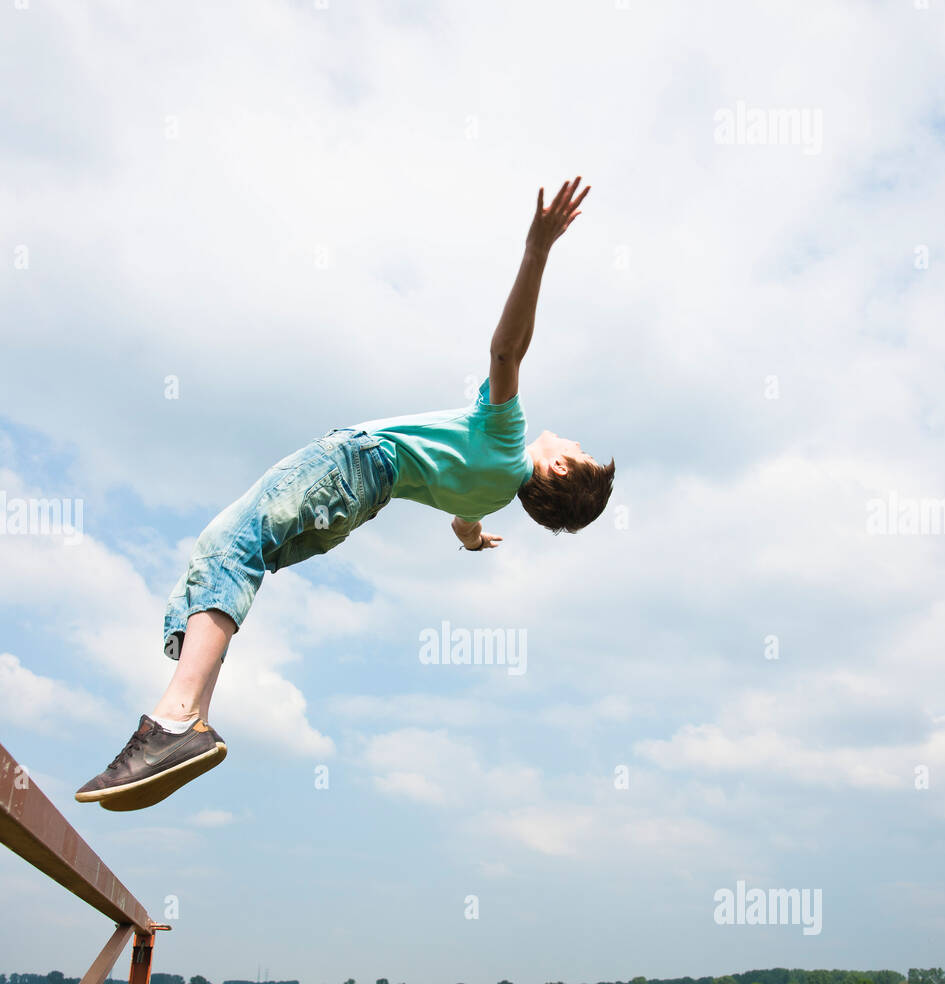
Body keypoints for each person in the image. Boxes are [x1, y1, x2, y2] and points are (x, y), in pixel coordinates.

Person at [75, 177, 614, 812]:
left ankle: (175, 719)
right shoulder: (494, 492)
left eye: (574, 450)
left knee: (229, 546)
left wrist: (537, 249)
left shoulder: (506, 438)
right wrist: (473, 542)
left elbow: (506, 349)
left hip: (350, 466)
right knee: (238, 557)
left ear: (555, 471)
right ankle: (187, 721)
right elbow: (463, 525)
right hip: (356, 506)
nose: (569, 438)